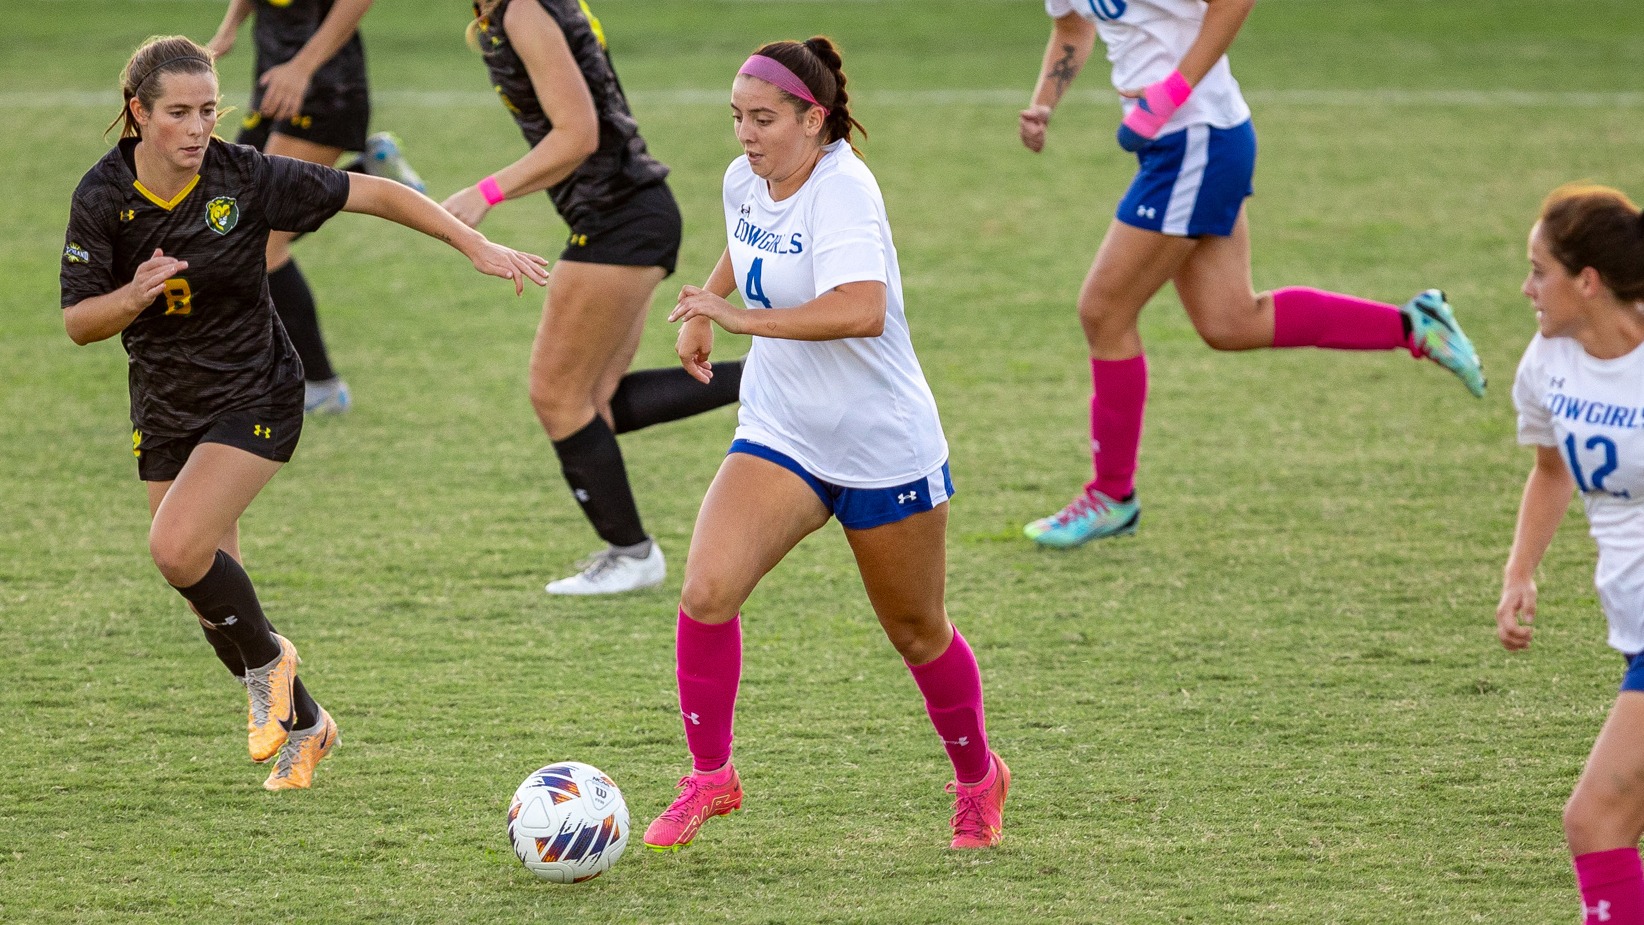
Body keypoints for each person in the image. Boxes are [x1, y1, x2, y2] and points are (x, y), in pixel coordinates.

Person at [60, 36, 548, 790]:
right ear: (138, 113)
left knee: (177, 551)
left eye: (209, 110)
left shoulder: (244, 176)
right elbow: (79, 322)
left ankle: (272, 665)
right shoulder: (101, 197)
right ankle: (310, 724)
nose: (198, 127)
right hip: (165, 406)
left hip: (255, 392)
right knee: (212, 600)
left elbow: (375, 193)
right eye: (179, 113)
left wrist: (471, 243)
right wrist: (132, 295)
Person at [642, 38, 1008, 852]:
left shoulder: (845, 189)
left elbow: (861, 309)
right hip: (782, 429)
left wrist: (741, 318)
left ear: (813, 120)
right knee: (706, 590)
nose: (746, 134)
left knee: (917, 632)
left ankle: (979, 778)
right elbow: (749, 235)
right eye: (737, 117)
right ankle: (711, 776)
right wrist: (706, 303)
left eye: (763, 119)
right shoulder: (746, 177)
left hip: (881, 445)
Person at [1016, 0, 1488, 548]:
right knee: (1231, 321)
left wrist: (1170, 93)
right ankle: (1415, 325)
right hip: (1180, 143)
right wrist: (1044, 103)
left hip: (1197, 138)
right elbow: (1072, 26)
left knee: (1104, 311)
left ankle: (1112, 496)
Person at [446, 0, 745, 595]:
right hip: (627, 212)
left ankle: (633, 555)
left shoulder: (522, 11)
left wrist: (486, 192)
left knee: (556, 395)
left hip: (619, 216)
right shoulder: (508, 13)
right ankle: (775, 373)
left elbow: (578, 134)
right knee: (591, 404)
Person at [1498, 184, 1644, 925]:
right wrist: (1519, 571)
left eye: (1538, 270)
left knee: (1595, 819)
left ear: (1587, 281)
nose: (1526, 288)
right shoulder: (1549, 361)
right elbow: (1552, 469)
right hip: (1634, 631)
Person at [207, 0, 428, 415]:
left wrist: (303, 66)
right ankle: (366, 171)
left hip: (324, 87)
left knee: (261, 241)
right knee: (229, 226)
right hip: (274, 80)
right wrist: (230, 26)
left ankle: (321, 383)